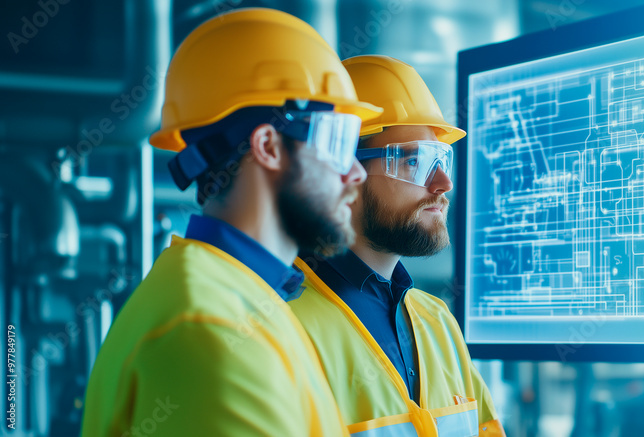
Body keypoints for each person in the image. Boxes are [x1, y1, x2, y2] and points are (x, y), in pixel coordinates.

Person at [81, 9, 380, 436]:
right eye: (338, 142)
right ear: (268, 147)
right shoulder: (210, 327)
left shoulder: (243, 297)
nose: (357, 172)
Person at [291, 55, 504, 436]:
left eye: (442, 160)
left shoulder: (438, 322)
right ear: (344, 171)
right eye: (413, 161)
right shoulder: (283, 321)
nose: (442, 183)